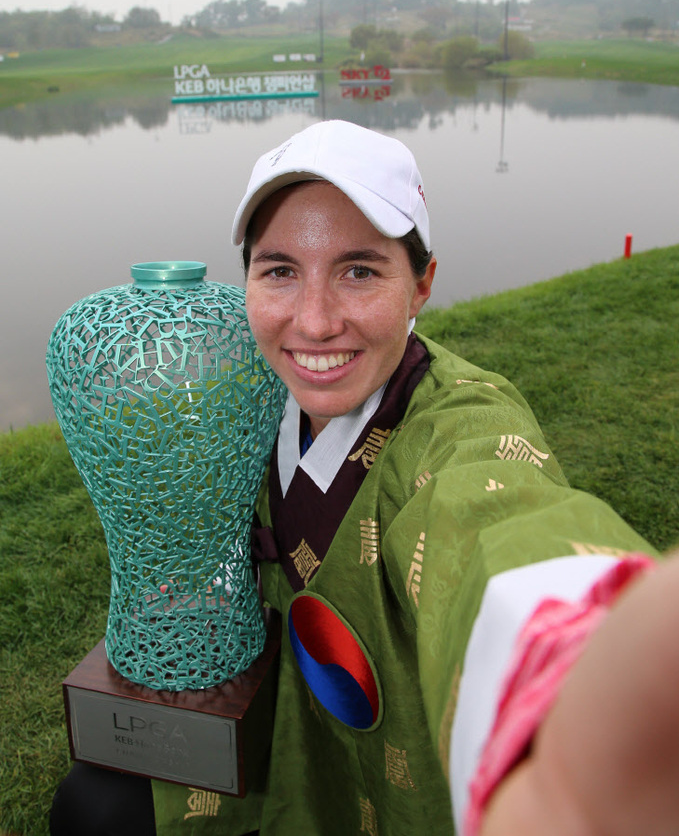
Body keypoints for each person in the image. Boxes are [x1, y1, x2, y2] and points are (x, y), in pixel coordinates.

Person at [51, 120, 678, 836]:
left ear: (421, 285)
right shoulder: (249, 395)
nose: (314, 324)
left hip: (381, 770)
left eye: (358, 271)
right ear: (247, 280)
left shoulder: (458, 425)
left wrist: (576, 670)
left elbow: (494, 525)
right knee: (92, 806)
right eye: (279, 270)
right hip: (266, 718)